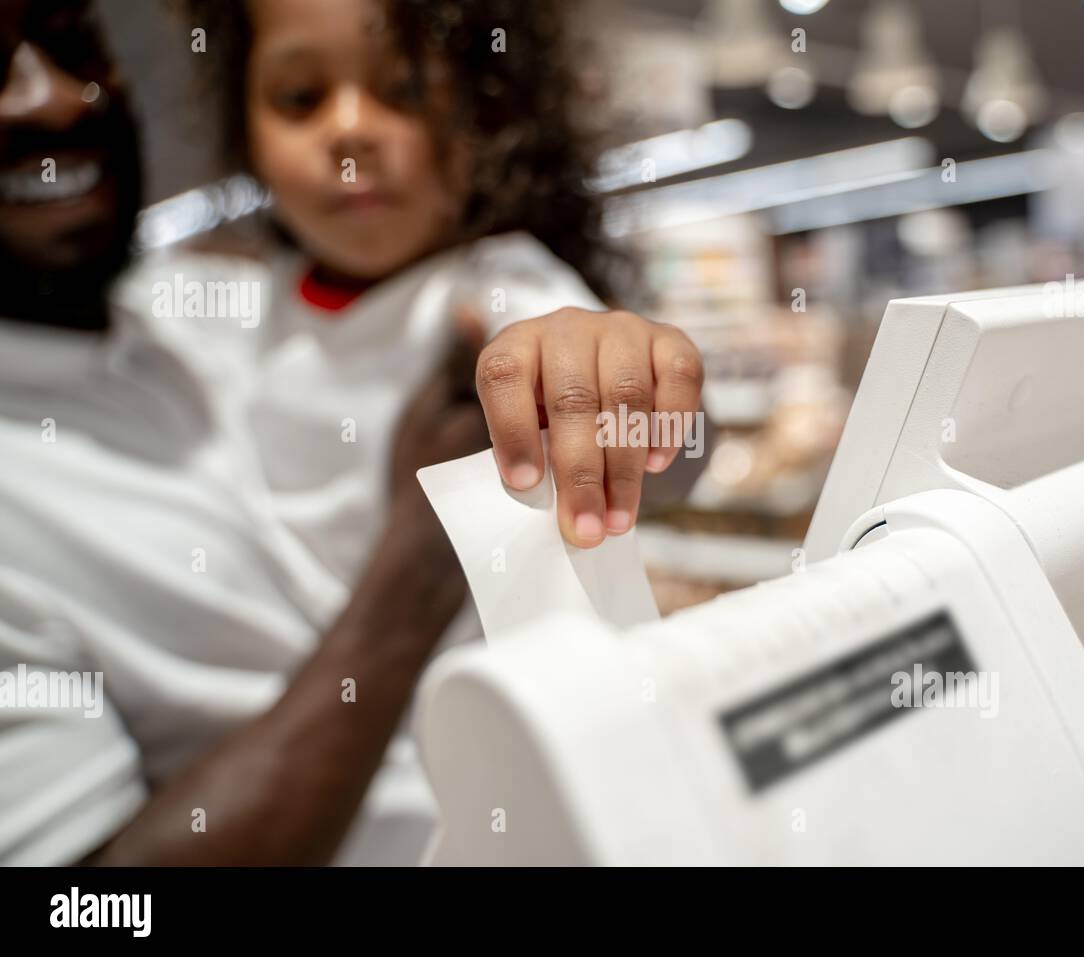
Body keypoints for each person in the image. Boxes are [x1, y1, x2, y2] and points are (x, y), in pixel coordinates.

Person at [0, 0, 495, 865]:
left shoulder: (210, 319)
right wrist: (417, 569)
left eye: (72, 44)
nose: (55, 100)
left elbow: (667, 439)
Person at [126, 0, 705, 595]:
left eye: (404, 89)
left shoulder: (494, 285)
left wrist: (615, 369)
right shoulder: (248, 304)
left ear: (487, 115)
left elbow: (663, 451)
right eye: (300, 98)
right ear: (245, 133)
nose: (349, 129)